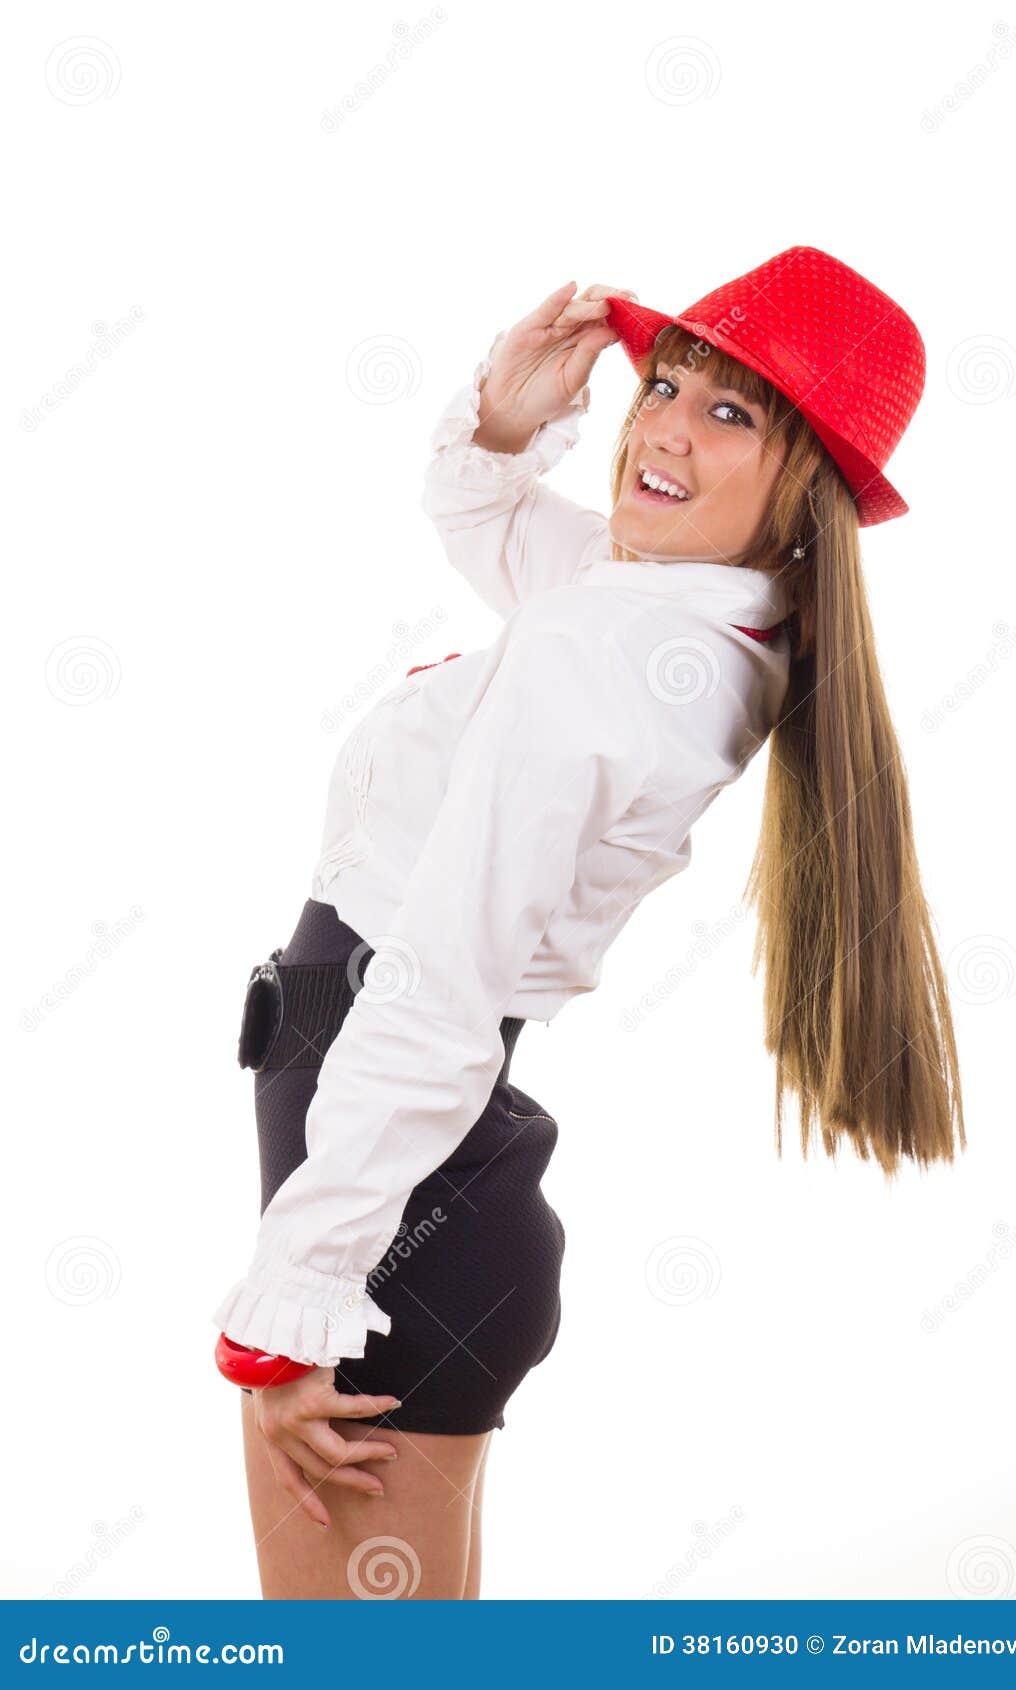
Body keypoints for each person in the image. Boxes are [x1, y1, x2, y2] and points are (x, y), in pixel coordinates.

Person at [212, 246, 965, 1600]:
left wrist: (294, 1302)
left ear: (807, 486)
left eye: (730, 413)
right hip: (417, 1190)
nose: (662, 428)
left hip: (384, 1214)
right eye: (665, 383)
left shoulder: (601, 657)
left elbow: (440, 985)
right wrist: (507, 424)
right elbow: (505, 533)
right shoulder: (701, 622)